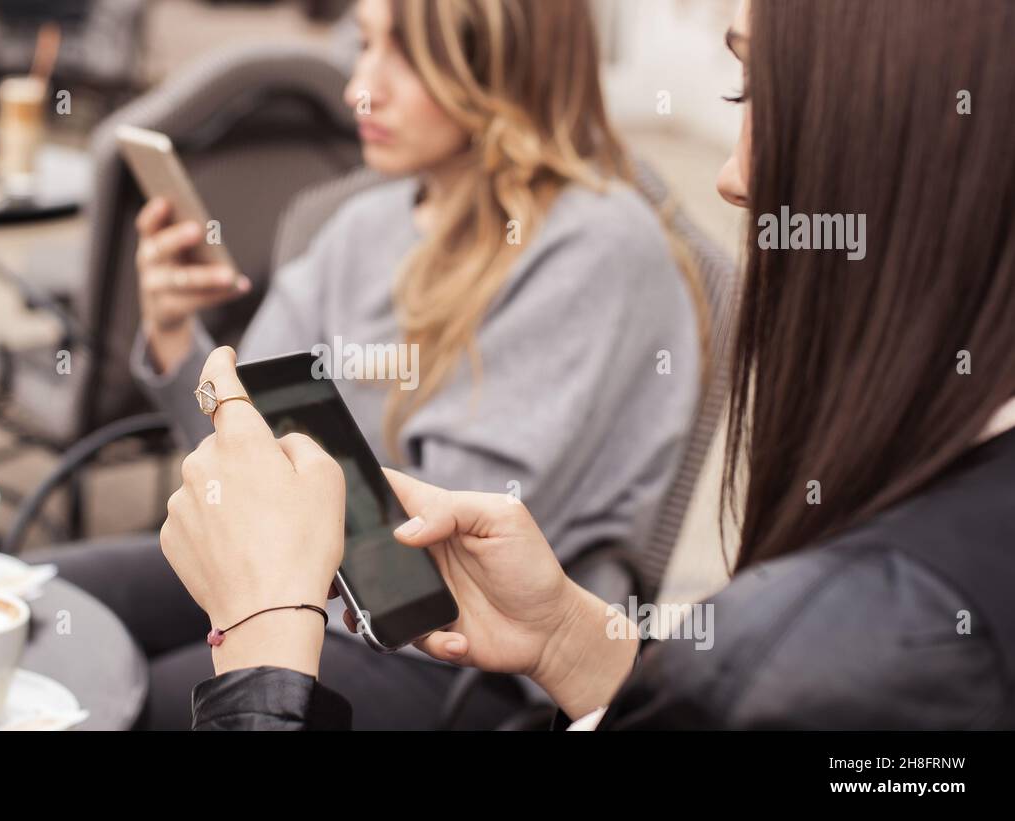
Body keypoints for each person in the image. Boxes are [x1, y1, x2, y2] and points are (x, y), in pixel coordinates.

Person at [158, 0, 1015, 730]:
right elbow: (242, 428)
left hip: (415, 643)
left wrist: (266, 650)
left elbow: (404, 548)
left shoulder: (856, 653)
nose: (730, 175)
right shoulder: (358, 223)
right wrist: (572, 639)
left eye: (756, 92)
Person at [45, 0, 705, 729]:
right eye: (363, 47)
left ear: (507, 68)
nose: (362, 88)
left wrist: (280, 524)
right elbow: (240, 444)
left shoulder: (596, 250)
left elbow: (432, 556)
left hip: (442, 650)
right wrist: (175, 338)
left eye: (410, 57)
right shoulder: (365, 223)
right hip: (303, 578)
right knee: (36, 602)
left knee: (95, 699)